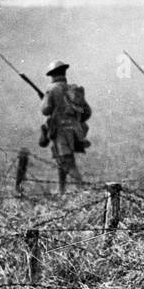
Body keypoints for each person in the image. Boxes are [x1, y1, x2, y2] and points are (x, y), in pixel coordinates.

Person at [40, 61, 91, 193]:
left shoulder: (51, 89)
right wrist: (75, 120)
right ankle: (61, 190)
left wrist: (45, 99)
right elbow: (87, 111)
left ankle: (83, 191)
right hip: (75, 131)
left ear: (52, 75)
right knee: (61, 159)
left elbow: (45, 110)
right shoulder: (72, 89)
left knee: (67, 161)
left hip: (60, 132)